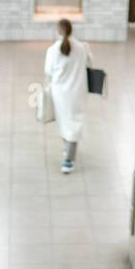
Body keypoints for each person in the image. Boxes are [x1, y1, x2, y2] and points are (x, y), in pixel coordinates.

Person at [45, 19, 92, 174]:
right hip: (78, 91)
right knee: (74, 123)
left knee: (65, 123)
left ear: (58, 31)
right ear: (72, 30)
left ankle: (68, 155)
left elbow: (49, 72)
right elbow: (90, 65)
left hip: (60, 93)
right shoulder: (82, 47)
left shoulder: (53, 50)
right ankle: (69, 155)